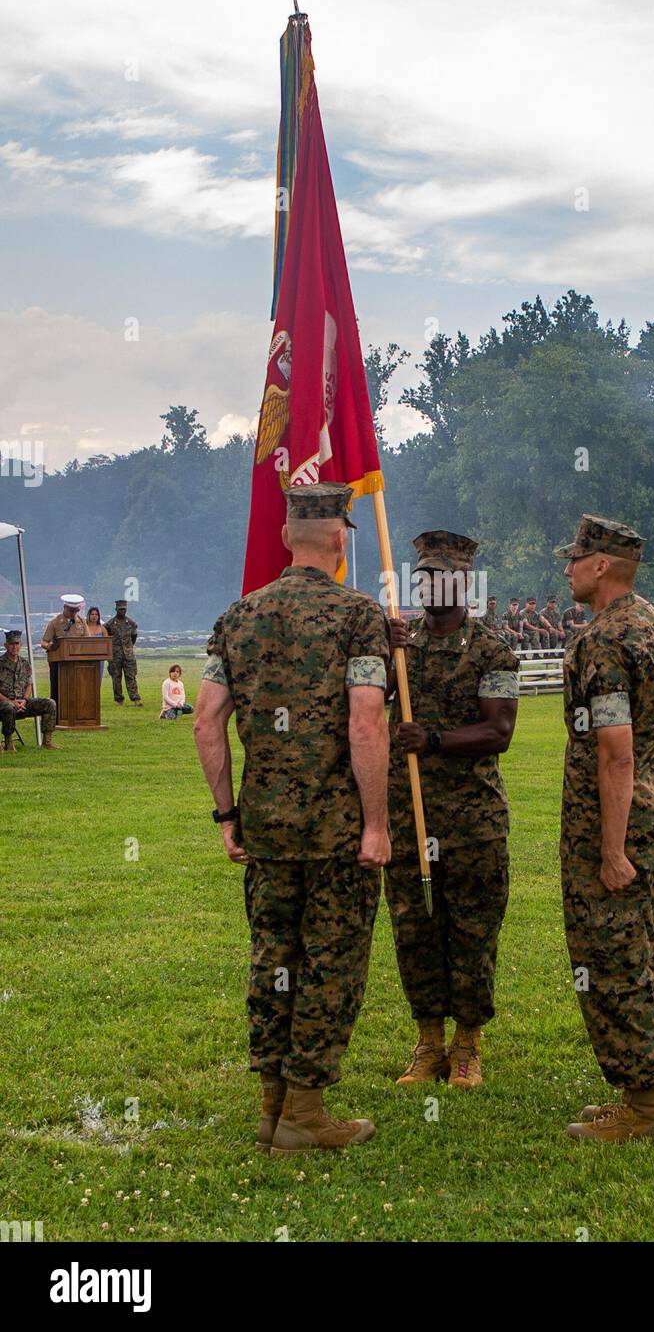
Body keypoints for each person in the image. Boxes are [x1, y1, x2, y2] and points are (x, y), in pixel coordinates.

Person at [194, 483, 391, 1155]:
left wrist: (227, 813)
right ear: (340, 539)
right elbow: (366, 722)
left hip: (266, 830)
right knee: (330, 963)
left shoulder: (238, 617)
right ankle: (305, 1113)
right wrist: (376, 825)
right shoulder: (359, 616)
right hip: (336, 831)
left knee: (273, 958)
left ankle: (272, 1104)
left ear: (286, 537)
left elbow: (205, 724)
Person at [554, 514, 654, 1143]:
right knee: (645, 950)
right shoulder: (648, 621)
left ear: (601, 565)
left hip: (615, 821)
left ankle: (642, 1109)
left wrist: (609, 847)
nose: (567, 567)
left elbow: (615, 750)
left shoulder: (602, 640)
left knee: (612, 958)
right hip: (649, 809)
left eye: (575, 558)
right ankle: (650, 1095)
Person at [384, 531, 519, 1090]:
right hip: (409, 814)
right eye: (425, 576)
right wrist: (382, 649)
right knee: (414, 928)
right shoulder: (400, 643)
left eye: (444, 576)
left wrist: (433, 739)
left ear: (465, 583)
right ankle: (427, 1043)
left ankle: (467, 1045)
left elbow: (499, 730)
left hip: (472, 819)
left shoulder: (493, 647)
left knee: (472, 930)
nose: (432, 585)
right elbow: (372, 700)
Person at [0, 630, 58, 751]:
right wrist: (10, 701)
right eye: (11, 644)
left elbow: (29, 684)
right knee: (8, 707)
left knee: (49, 703)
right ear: (6, 645)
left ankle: (47, 741)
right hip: (4, 704)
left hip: (22, 703)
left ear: (21, 645)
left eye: (17, 644)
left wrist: (25, 700)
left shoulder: (25, 664)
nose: (14, 647)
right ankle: (9, 743)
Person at [41, 594, 87, 705]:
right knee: (57, 693)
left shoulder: (81, 622)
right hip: (59, 664)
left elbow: (88, 641)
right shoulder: (55, 622)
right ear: (65, 608)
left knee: (78, 692)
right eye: (71, 611)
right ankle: (56, 717)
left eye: (75, 611)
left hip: (78, 663)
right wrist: (51, 646)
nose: (73, 613)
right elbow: (44, 642)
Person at [105, 600, 142, 706]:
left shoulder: (131, 623)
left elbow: (134, 637)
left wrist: (129, 647)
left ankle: (135, 698)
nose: (122, 611)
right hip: (115, 655)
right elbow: (106, 637)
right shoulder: (109, 624)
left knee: (131, 676)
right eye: (120, 609)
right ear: (116, 609)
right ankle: (119, 699)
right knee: (116, 677)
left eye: (124, 609)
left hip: (128, 655)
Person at [86, 605, 108, 681]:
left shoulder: (102, 628)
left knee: (98, 679)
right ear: (88, 615)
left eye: (96, 614)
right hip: (86, 657)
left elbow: (107, 643)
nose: (94, 616)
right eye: (92, 614)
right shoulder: (84, 628)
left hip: (99, 658)